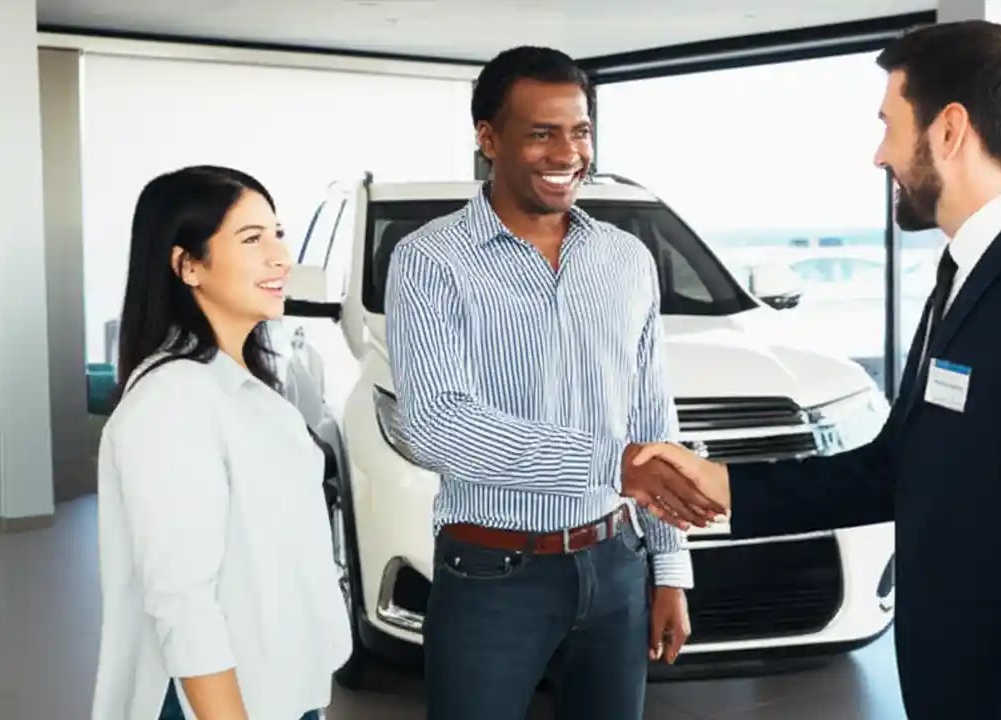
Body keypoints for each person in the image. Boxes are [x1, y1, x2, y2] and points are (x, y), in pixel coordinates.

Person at [632, 20, 1001, 720]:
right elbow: (898, 468)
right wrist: (719, 482)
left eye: (889, 125)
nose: (879, 155)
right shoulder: (963, 277)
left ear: (949, 130)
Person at [383, 46, 722, 720]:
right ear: (488, 139)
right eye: (542, 133)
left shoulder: (625, 259)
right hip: (491, 577)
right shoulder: (429, 261)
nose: (567, 153)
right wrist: (612, 464)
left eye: (580, 130)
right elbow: (437, 425)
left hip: (617, 563)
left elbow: (653, 417)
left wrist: (669, 569)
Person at [92, 166, 351, 720]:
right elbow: (184, 602)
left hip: (280, 691)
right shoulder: (172, 400)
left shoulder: (242, 385)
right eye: (252, 239)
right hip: (219, 702)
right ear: (188, 265)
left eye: (278, 234)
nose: (281, 258)